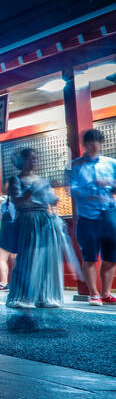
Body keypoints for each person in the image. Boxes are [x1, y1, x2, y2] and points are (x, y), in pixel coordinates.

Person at [4, 147, 67, 330]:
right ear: (21, 161)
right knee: (28, 259)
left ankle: (45, 295)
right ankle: (23, 296)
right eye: (30, 158)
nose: (34, 162)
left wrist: (50, 190)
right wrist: (33, 190)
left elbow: (53, 201)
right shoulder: (16, 180)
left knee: (48, 259)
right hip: (28, 218)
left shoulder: (41, 179)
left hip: (44, 219)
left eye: (35, 158)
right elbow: (18, 202)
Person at [70, 128, 116, 306]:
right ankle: (94, 294)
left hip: (109, 212)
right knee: (89, 256)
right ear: (85, 145)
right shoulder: (76, 165)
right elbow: (73, 190)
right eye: (90, 143)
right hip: (87, 216)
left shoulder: (111, 163)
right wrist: (89, 189)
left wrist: (110, 183)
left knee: (111, 256)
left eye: (97, 143)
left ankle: (106, 292)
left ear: (101, 144)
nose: (94, 146)